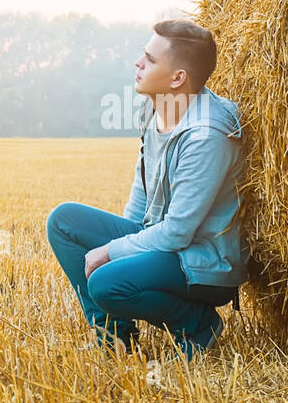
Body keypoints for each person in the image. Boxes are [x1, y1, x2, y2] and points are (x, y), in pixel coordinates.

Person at [46, 18, 249, 361]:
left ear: (177, 78)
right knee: (63, 221)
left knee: (105, 282)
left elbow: (178, 233)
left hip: (204, 262)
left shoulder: (207, 136)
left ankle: (198, 324)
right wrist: (124, 246)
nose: (138, 63)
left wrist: (111, 252)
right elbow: (143, 188)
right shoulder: (156, 107)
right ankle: (113, 334)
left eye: (150, 59)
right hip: (163, 242)